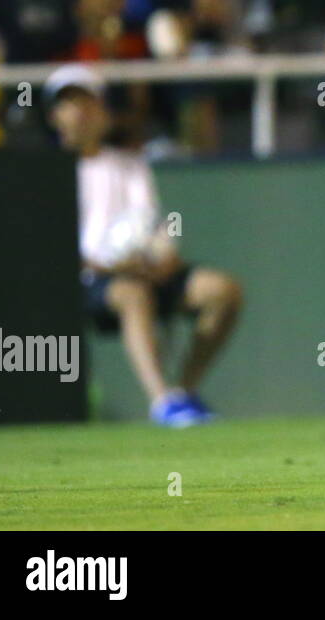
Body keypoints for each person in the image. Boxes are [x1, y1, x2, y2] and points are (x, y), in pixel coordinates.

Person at [46, 64, 244, 426]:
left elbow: (150, 223)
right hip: (87, 281)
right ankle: (161, 401)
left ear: (103, 110)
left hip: (139, 268)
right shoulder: (44, 170)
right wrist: (107, 266)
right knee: (132, 293)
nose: (81, 112)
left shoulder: (129, 164)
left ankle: (182, 393)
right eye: (69, 103)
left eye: (88, 102)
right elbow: (49, 248)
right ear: (53, 115)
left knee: (222, 290)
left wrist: (164, 256)